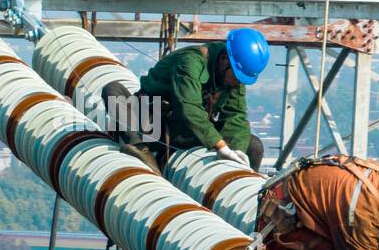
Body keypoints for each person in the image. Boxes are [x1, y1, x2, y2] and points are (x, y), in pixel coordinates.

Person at [103, 28, 270, 173]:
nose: (238, 83)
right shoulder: (191, 62)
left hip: (191, 132)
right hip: (154, 126)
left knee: (253, 146)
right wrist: (220, 146)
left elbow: (236, 116)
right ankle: (140, 150)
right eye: (237, 77)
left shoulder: (234, 76)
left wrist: (236, 151)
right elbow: (189, 108)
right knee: (113, 90)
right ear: (224, 59)